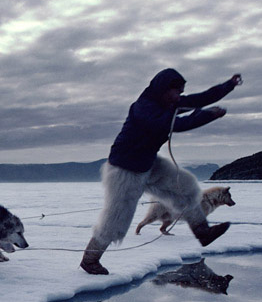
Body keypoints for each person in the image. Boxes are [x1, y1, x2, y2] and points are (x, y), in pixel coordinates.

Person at [81, 69, 242, 275]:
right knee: (116, 220)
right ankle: (90, 260)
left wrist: (229, 84)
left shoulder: (168, 103)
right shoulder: (144, 107)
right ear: (162, 89)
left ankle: (202, 231)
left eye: (180, 92)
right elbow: (172, 124)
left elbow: (200, 99)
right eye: (175, 92)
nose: (178, 96)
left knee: (186, 186)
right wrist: (207, 115)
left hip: (148, 164)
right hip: (124, 170)